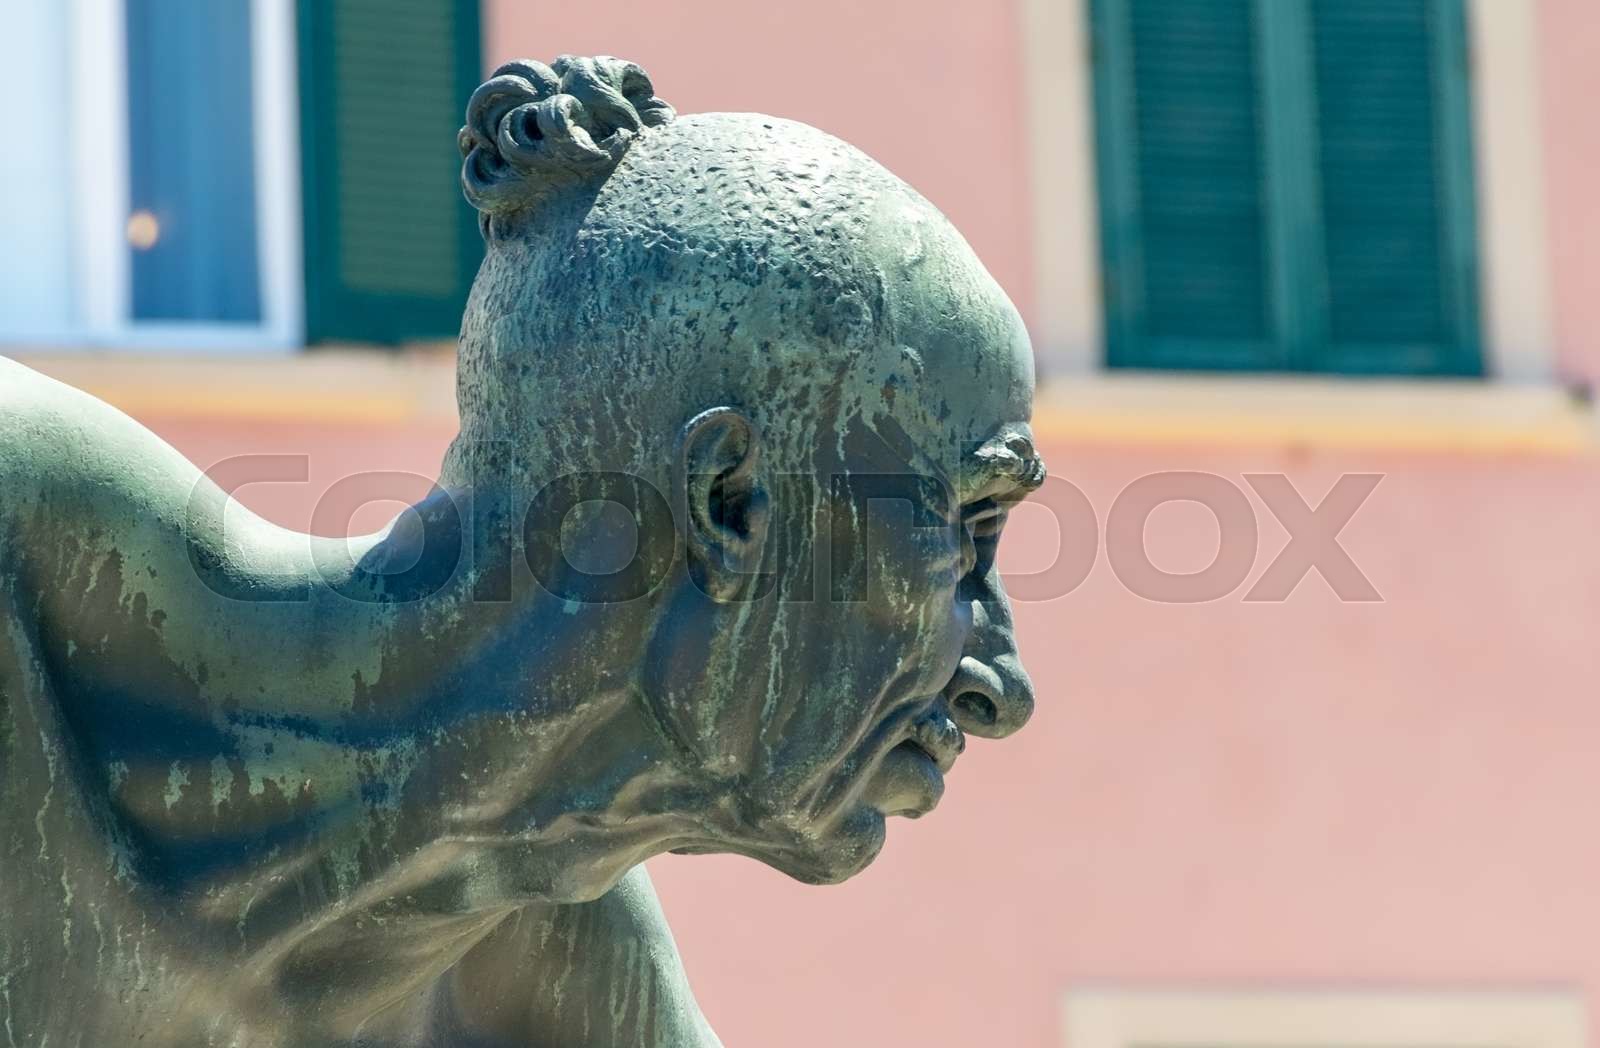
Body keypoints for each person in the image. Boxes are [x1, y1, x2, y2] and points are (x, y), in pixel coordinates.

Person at [0, 55, 1045, 1046]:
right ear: (730, 502)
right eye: (962, 533)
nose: (1001, 689)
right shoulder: (22, 541)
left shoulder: (555, 972)